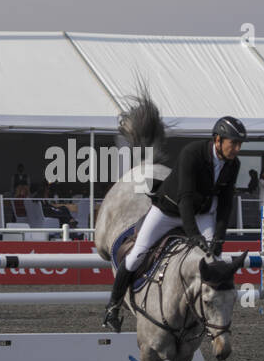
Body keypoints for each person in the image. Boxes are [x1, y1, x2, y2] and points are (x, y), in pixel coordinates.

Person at [102, 116, 245, 332]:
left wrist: (219, 238)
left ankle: (201, 317)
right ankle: (113, 307)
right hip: (168, 210)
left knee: (211, 261)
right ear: (218, 140)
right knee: (136, 255)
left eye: (239, 144)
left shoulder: (233, 164)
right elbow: (185, 198)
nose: (236, 148)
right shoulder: (192, 153)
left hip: (202, 213)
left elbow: (225, 203)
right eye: (233, 143)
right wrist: (194, 235)